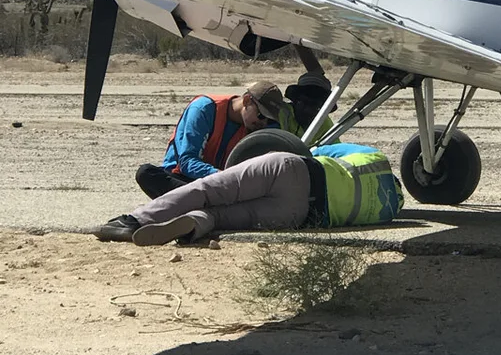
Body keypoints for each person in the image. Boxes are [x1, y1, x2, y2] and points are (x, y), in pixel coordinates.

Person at [94, 143, 404, 244]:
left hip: (293, 171)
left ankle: (133, 221)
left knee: (206, 190)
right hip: (299, 215)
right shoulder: (387, 212)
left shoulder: (374, 159)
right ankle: (194, 224)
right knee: (221, 216)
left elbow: (312, 150)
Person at [135, 81, 284, 199]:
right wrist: (224, 177)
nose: (263, 123)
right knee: (146, 173)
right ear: (246, 101)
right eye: (261, 116)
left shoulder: (254, 127)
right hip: (184, 180)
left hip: (220, 186)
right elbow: (187, 162)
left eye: (269, 120)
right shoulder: (204, 109)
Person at [277, 71, 340, 143]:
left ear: (322, 107)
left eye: (314, 105)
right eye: (302, 103)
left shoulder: (323, 121)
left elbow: (335, 146)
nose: (307, 109)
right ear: (295, 100)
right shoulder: (282, 114)